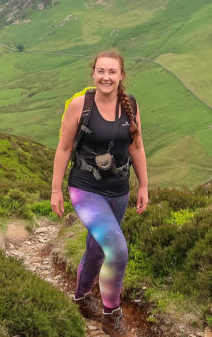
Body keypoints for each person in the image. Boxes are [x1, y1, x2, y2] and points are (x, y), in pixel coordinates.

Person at [50, 50, 148, 337]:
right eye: (101, 71)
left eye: (112, 72)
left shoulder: (130, 105)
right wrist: (56, 189)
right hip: (85, 188)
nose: (106, 77)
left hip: (119, 190)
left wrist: (143, 185)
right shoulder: (81, 105)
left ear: (121, 76)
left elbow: (136, 147)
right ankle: (110, 314)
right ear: (93, 74)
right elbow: (65, 148)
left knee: (96, 248)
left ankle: (81, 297)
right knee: (116, 249)